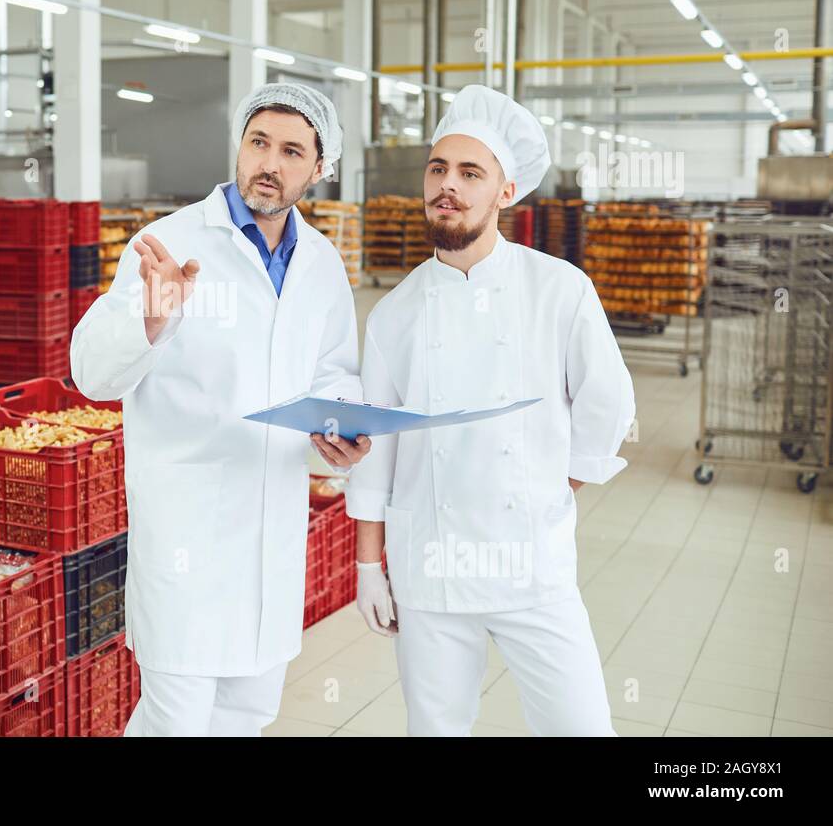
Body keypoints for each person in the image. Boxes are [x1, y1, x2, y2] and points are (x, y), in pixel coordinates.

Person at [71, 82, 370, 736]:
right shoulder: (169, 246)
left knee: (247, 716)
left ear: (319, 169)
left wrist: (340, 425)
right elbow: (90, 372)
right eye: (258, 142)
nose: (270, 162)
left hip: (271, 534)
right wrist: (149, 324)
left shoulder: (320, 263)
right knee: (176, 721)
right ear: (239, 147)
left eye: (292, 151)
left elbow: (333, 372)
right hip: (189, 534)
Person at [347, 84, 636, 736]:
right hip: (430, 572)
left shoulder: (557, 289)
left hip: (531, 568)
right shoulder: (394, 314)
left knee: (582, 727)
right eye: (439, 169)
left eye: (470, 173)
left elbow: (608, 402)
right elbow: (376, 450)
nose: (448, 185)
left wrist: (546, 487)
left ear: (505, 192)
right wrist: (369, 567)